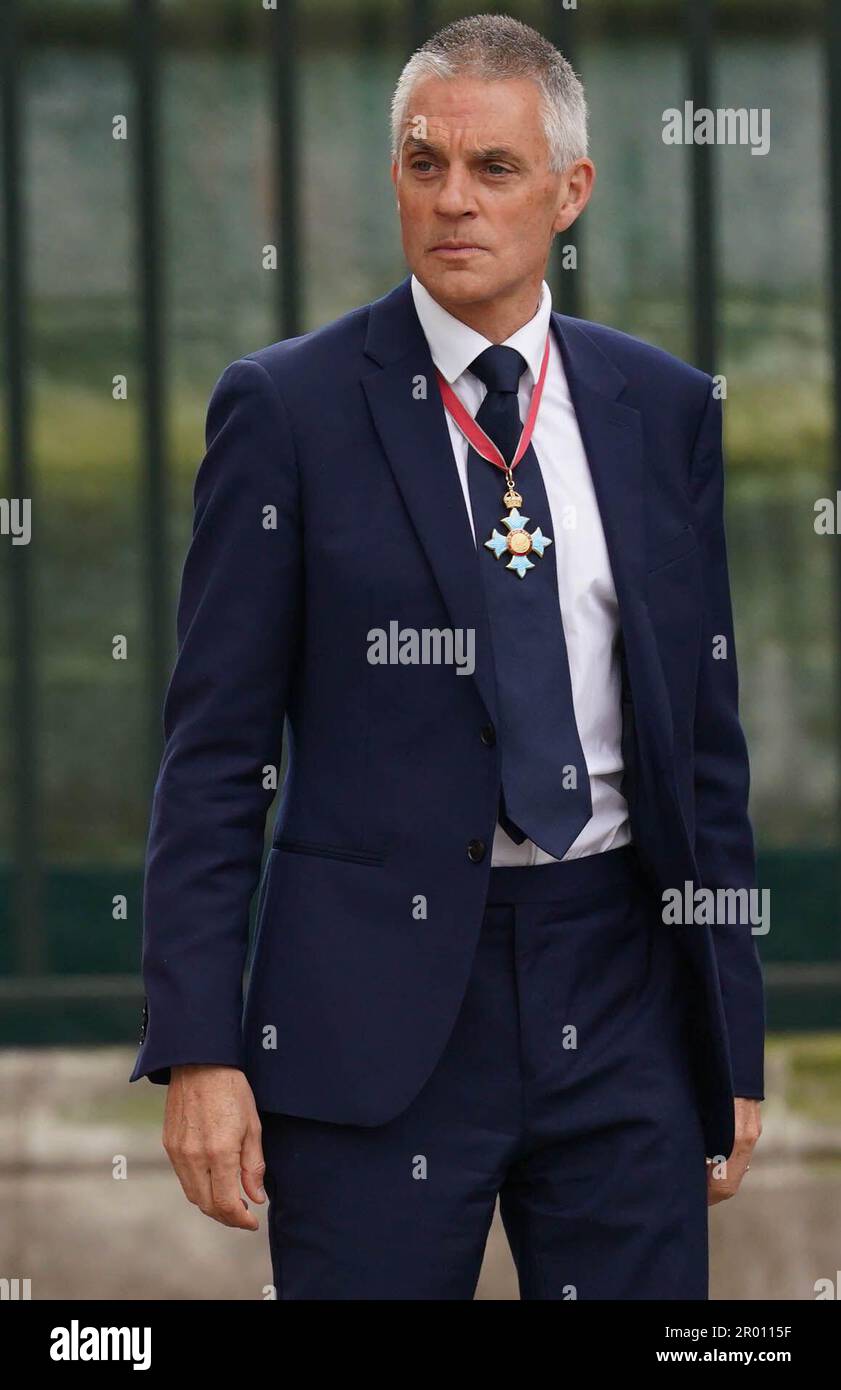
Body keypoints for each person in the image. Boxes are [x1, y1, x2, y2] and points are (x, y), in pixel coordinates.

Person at [130, 13, 764, 1300]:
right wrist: (199, 1046)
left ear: (570, 192)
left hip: (621, 991)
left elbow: (702, 748)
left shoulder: (661, 408)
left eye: (495, 169)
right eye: (425, 165)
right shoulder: (288, 411)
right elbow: (213, 755)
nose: (453, 201)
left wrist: (731, 1036)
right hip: (370, 1013)